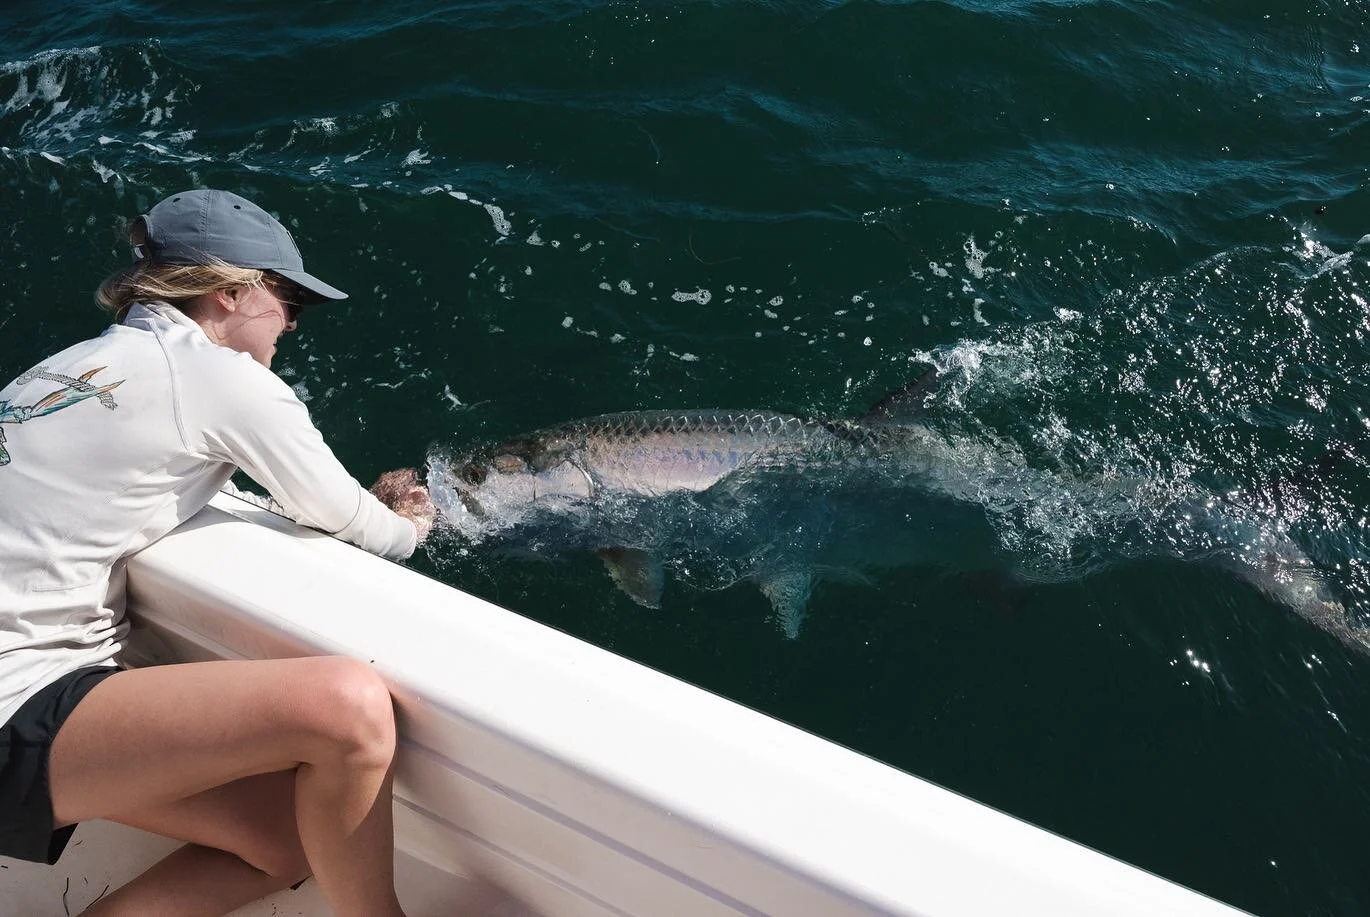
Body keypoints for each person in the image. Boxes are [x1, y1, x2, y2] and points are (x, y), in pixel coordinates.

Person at [0, 189, 437, 916]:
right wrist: (410, 517)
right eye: (287, 298)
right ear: (232, 292)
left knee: (283, 840)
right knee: (349, 709)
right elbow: (360, 523)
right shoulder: (220, 377)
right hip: (13, 704)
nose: (292, 322)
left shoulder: (63, 368)